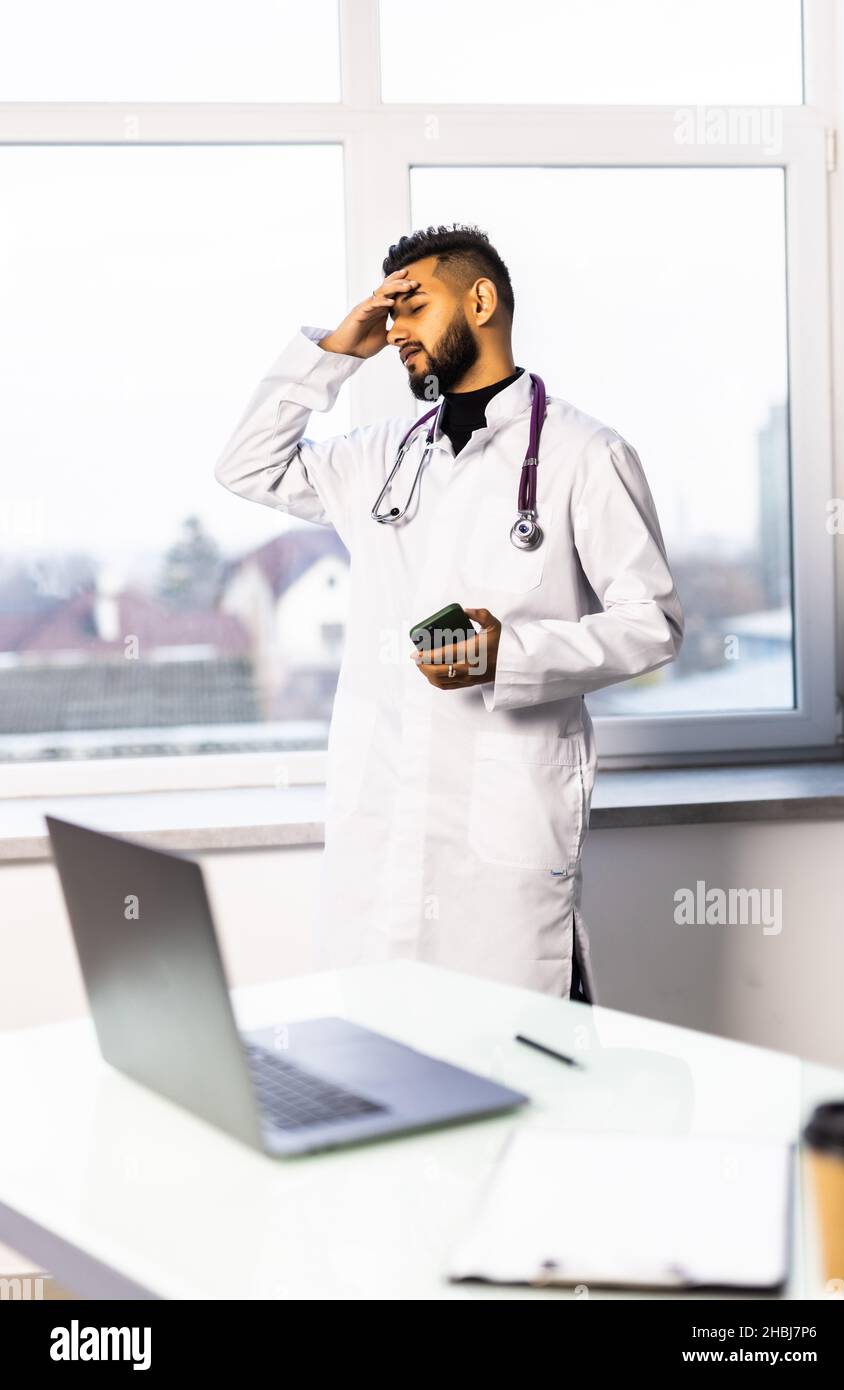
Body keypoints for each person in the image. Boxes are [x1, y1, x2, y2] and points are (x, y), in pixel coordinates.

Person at [214, 223, 684, 1003]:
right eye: (387, 308)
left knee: (518, 1061)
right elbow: (247, 466)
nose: (395, 325)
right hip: (381, 823)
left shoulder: (583, 454)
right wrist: (335, 350)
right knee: (379, 1057)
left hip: (499, 831)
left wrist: (510, 653)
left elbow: (652, 622)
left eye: (413, 303)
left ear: (481, 298)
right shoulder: (380, 456)